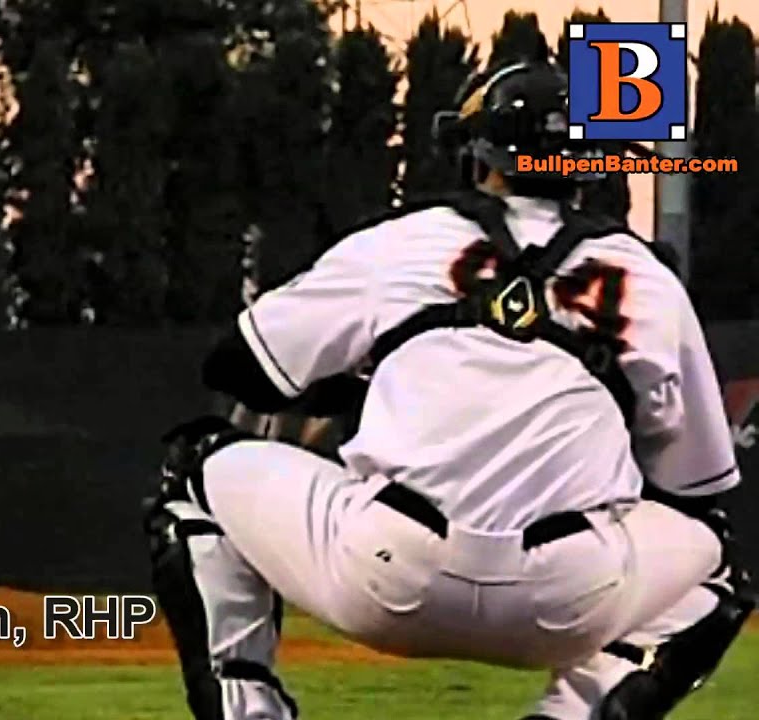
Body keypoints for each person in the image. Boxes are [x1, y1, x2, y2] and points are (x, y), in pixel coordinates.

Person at [142, 59, 752, 720]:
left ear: (477, 151)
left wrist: (369, 381)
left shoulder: (404, 241)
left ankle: (246, 708)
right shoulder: (648, 280)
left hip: (384, 568)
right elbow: (694, 486)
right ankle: (574, 714)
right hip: (569, 592)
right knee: (711, 558)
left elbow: (238, 366)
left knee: (192, 468)